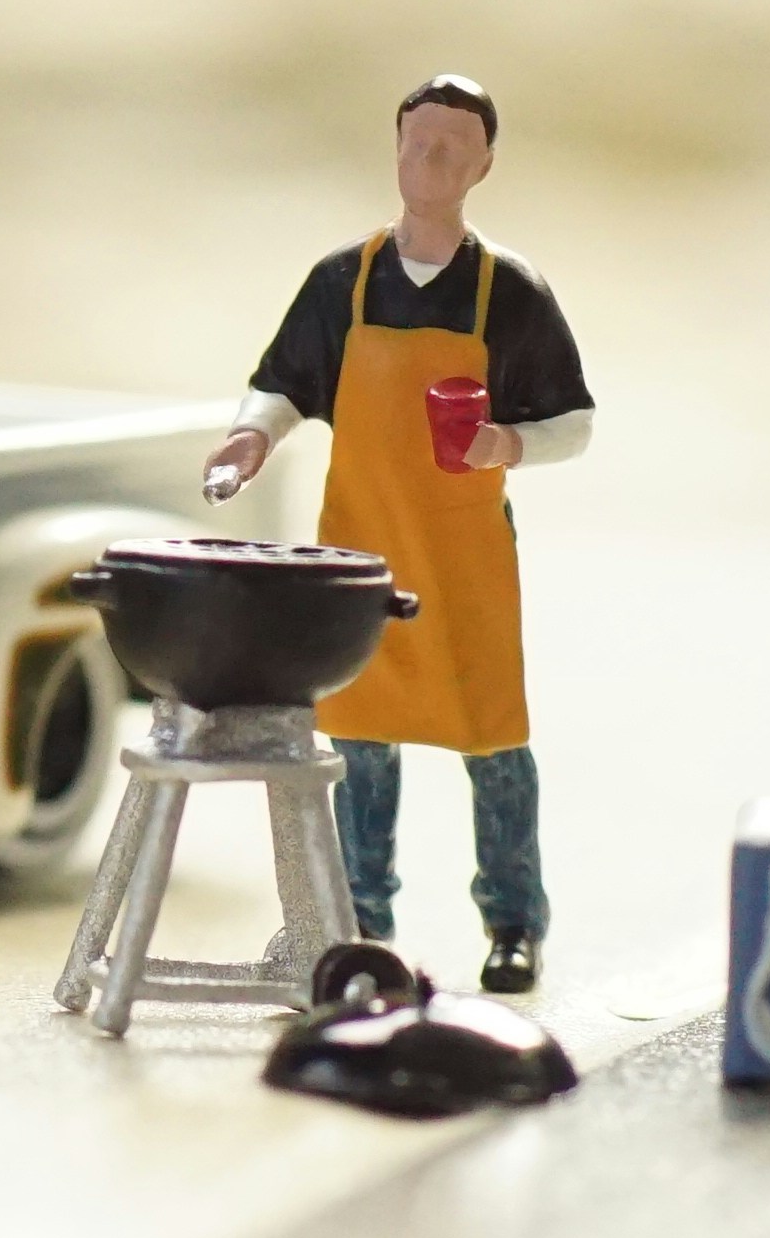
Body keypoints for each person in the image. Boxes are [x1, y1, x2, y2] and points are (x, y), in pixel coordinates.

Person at [203, 74, 595, 992]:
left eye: (454, 148)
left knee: (494, 742)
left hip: (464, 560)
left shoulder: (510, 293)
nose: (433, 162)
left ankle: (513, 921)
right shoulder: (343, 281)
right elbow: (284, 382)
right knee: (359, 742)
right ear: (395, 150)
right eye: (420, 143)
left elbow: (574, 423)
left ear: (485, 165)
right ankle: (360, 919)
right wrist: (253, 435)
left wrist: (507, 443)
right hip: (359, 556)